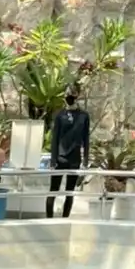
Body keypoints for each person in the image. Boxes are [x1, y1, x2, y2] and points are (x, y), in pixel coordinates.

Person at [46, 91, 90, 220]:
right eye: (67, 98)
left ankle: (65, 219)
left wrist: (86, 160)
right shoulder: (60, 115)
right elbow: (55, 138)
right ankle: (49, 219)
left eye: (71, 97)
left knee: (69, 192)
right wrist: (53, 159)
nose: (69, 100)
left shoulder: (84, 116)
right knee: (53, 190)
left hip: (75, 157)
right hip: (60, 157)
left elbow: (86, 138)